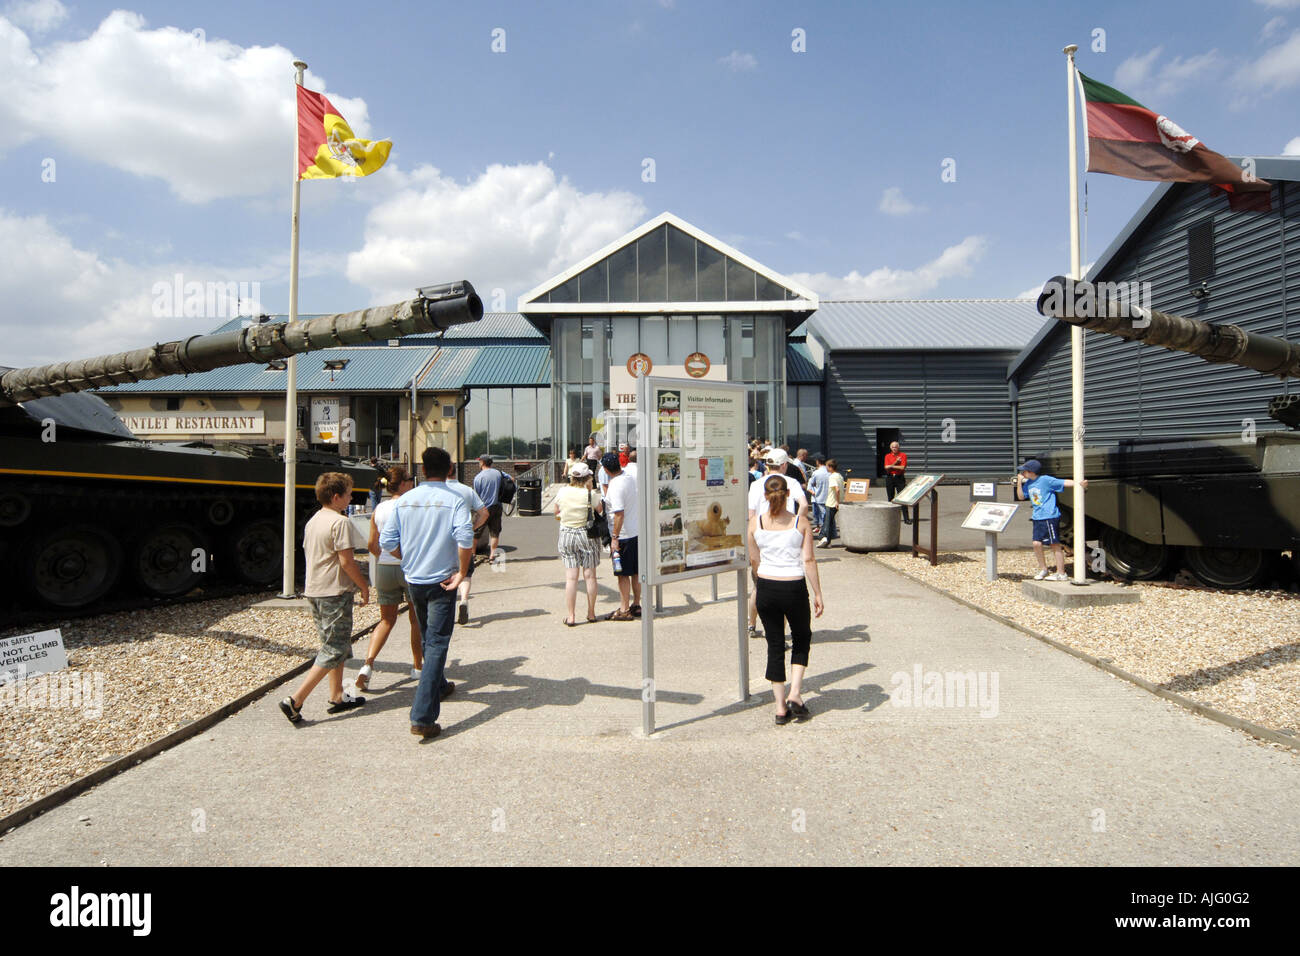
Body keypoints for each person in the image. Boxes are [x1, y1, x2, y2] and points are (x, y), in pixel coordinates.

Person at [380, 446, 474, 740]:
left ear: (422, 470)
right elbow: (465, 538)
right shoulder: (454, 500)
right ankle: (422, 715)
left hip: (414, 578)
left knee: (425, 635)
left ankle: (440, 683)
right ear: (449, 470)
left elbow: (387, 541)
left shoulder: (404, 501)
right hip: (442, 579)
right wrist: (461, 572)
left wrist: (406, 557)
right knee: (436, 643)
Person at [280, 472, 369, 724]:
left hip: (315, 591)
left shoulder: (313, 521)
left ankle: (337, 696)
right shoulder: (340, 522)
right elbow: (347, 562)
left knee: (333, 644)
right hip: (335, 592)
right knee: (335, 647)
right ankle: (295, 700)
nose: (352, 498)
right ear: (337, 496)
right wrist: (363, 586)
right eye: (349, 494)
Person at [747, 475, 824, 726]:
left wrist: (763, 579)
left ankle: (780, 707)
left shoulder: (754, 523)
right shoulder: (800, 522)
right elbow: (809, 560)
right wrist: (818, 593)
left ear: (764, 497)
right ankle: (795, 693)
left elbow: (754, 560)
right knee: (802, 637)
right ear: (789, 494)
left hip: (767, 585)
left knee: (775, 643)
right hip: (793, 585)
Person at [357, 466, 423, 692]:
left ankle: (367, 664)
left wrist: (382, 557)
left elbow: (371, 544)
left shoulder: (379, 508)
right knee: (416, 620)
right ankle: (417, 667)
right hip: (408, 566)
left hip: (385, 566)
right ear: (403, 484)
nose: (412, 483)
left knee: (386, 620)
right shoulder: (411, 505)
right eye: (409, 480)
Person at [746, 448, 809, 638]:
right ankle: (777, 635)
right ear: (783, 465)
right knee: (781, 583)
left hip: (760, 535)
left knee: (758, 585)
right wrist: (798, 523)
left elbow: (751, 514)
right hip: (784, 534)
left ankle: (751, 623)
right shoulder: (791, 482)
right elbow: (804, 504)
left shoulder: (756, 484)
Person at [1015, 459, 1088, 582]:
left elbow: (1063, 482)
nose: (1022, 474)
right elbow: (1021, 497)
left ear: (1031, 471)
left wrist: (1079, 483)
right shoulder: (1028, 484)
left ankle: (1061, 573)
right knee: (1036, 543)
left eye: (1024, 471)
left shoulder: (1045, 480)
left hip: (1049, 516)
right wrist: (1019, 483)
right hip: (1037, 517)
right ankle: (1043, 569)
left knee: (1054, 544)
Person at [554, 461, 603, 625]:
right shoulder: (590, 494)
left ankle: (571, 615)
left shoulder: (562, 492)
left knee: (571, 579)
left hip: (567, 534)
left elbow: (556, 511)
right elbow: (600, 510)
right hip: (586, 534)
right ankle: (591, 613)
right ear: (588, 477)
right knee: (590, 576)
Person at [445, 460, 491, 625]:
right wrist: (473, 527)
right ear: (456, 471)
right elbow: (484, 513)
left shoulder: (438, 491)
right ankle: (464, 599)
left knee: (445, 575)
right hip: (464, 539)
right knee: (465, 573)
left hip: (443, 540)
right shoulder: (466, 490)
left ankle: (447, 610)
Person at [602, 452, 641, 621]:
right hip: (636, 532)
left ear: (605, 469)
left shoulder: (616, 485)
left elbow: (618, 514)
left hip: (623, 536)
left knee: (623, 574)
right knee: (636, 572)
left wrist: (614, 538)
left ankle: (624, 608)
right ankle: (637, 604)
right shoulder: (629, 478)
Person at [472, 454, 505, 561]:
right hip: (498, 506)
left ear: (482, 462)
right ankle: (492, 555)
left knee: (476, 532)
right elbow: (511, 479)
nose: (478, 463)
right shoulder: (498, 473)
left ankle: (472, 555)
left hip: (484, 508)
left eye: (479, 461)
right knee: (495, 532)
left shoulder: (478, 478)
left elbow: (476, 496)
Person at [819, 458, 845, 548]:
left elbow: (837, 489)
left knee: (828, 522)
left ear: (830, 467)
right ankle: (827, 540)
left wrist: (837, 501)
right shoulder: (840, 476)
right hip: (837, 501)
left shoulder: (832, 477)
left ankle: (826, 539)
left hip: (831, 502)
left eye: (827, 466)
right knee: (829, 522)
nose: (826, 468)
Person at [884, 440, 910, 524]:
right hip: (890, 478)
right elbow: (886, 468)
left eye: (896, 447)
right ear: (890, 448)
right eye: (893, 447)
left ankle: (906, 518)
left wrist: (891, 466)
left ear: (898, 447)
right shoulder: (887, 456)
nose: (894, 448)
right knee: (890, 498)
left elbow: (902, 467)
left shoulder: (903, 455)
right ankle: (891, 519)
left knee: (902, 498)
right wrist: (895, 463)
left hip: (899, 478)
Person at [806, 455, 828, 534]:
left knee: (820, 515)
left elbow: (810, 484)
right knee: (826, 515)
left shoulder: (816, 473)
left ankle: (823, 531)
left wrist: (814, 492)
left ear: (818, 462)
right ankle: (827, 531)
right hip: (828, 497)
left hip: (818, 497)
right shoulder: (829, 472)